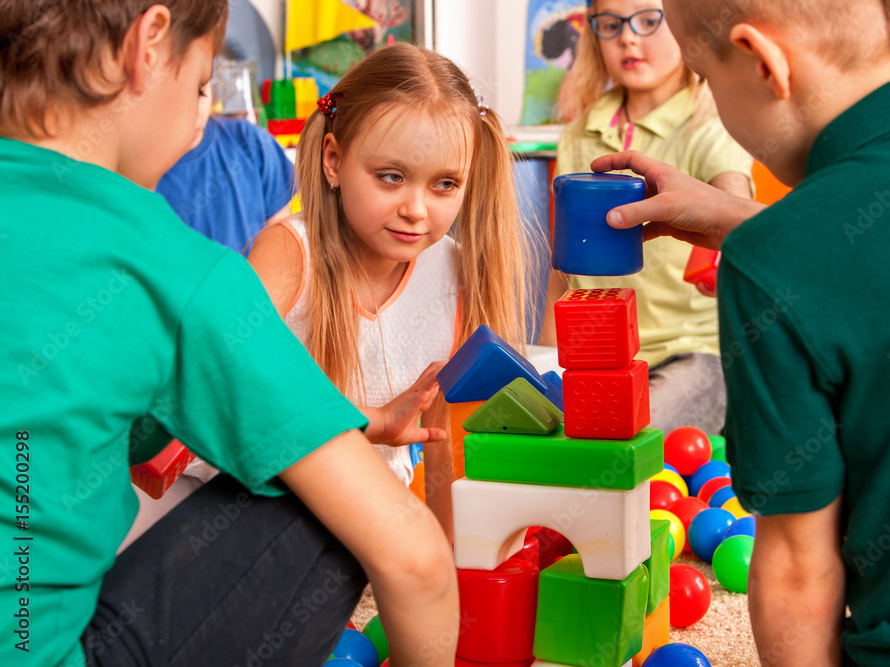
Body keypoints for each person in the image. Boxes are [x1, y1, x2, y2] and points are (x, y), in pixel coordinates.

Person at [0, 3, 457, 666]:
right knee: (336, 501)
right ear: (148, 45)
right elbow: (416, 558)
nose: (197, 126)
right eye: (200, 84)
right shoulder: (172, 267)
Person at [591, 0, 890, 664]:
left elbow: (797, 571)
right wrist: (755, 225)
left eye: (704, 74)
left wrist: (773, 247)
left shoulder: (770, 267)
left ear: (762, 62)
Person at [247, 43, 532, 539]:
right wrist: (370, 420)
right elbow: (225, 397)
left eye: (444, 184)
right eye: (391, 177)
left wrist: (454, 567)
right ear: (333, 161)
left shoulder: (454, 272)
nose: (416, 209)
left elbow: (445, 444)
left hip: (362, 520)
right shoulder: (292, 254)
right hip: (258, 502)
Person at [540, 0, 753, 436]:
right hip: (593, 357)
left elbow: (734, 194)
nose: (628, 37)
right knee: (553, 437)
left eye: (649, 20)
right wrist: (547, 359)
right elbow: (560, 267)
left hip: (691, 351)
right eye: (610, 23)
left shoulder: (709, 122)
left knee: (619, 437)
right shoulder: (580, 132)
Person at [156, 82, 295, 253]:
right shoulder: (133, 172)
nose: (189, 112)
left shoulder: (252, 143)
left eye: (199, 92)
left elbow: (284, 247)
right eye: (170, 95)